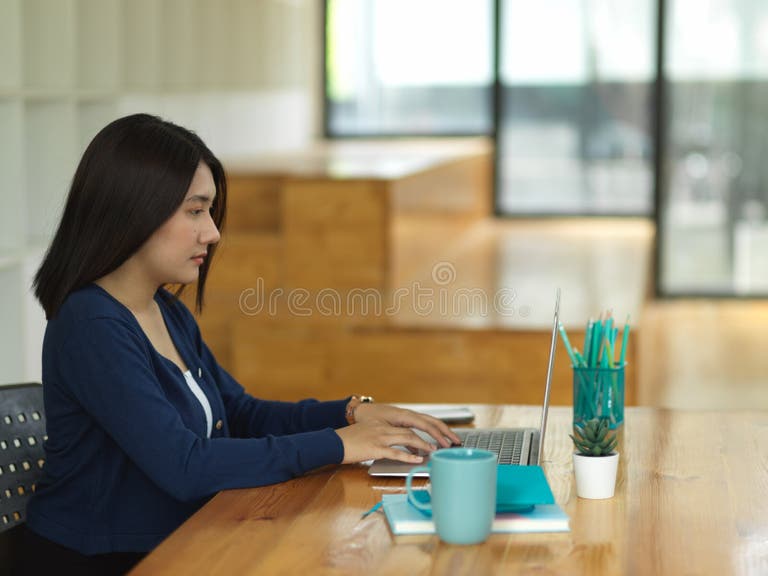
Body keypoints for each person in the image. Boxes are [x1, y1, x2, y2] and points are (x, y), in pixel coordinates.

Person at [20, 114, 460, 575]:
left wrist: (351, 414)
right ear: (134, 211)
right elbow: (184, 464)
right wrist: (338, 444)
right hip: (105, 564)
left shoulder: (164, 311)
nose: (212, 232)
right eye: (195, 210)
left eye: (208, 212)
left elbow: (241, 413)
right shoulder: (91, 325)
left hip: (181, 543)